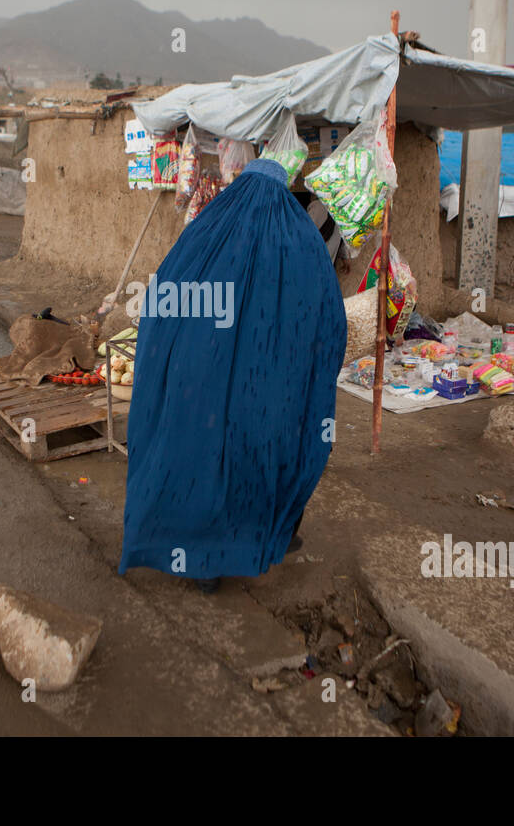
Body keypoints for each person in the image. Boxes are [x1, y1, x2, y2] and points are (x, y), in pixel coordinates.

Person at [118, 157, 347, 593]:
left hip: (197, 378)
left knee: (198, 460)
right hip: (265, 389)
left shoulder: (206, 232)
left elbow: (158, 307)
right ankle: (252, 543)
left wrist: (167, 362)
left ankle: (198, 562)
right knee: (256, 461)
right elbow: (329, 324)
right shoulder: (300, 240)